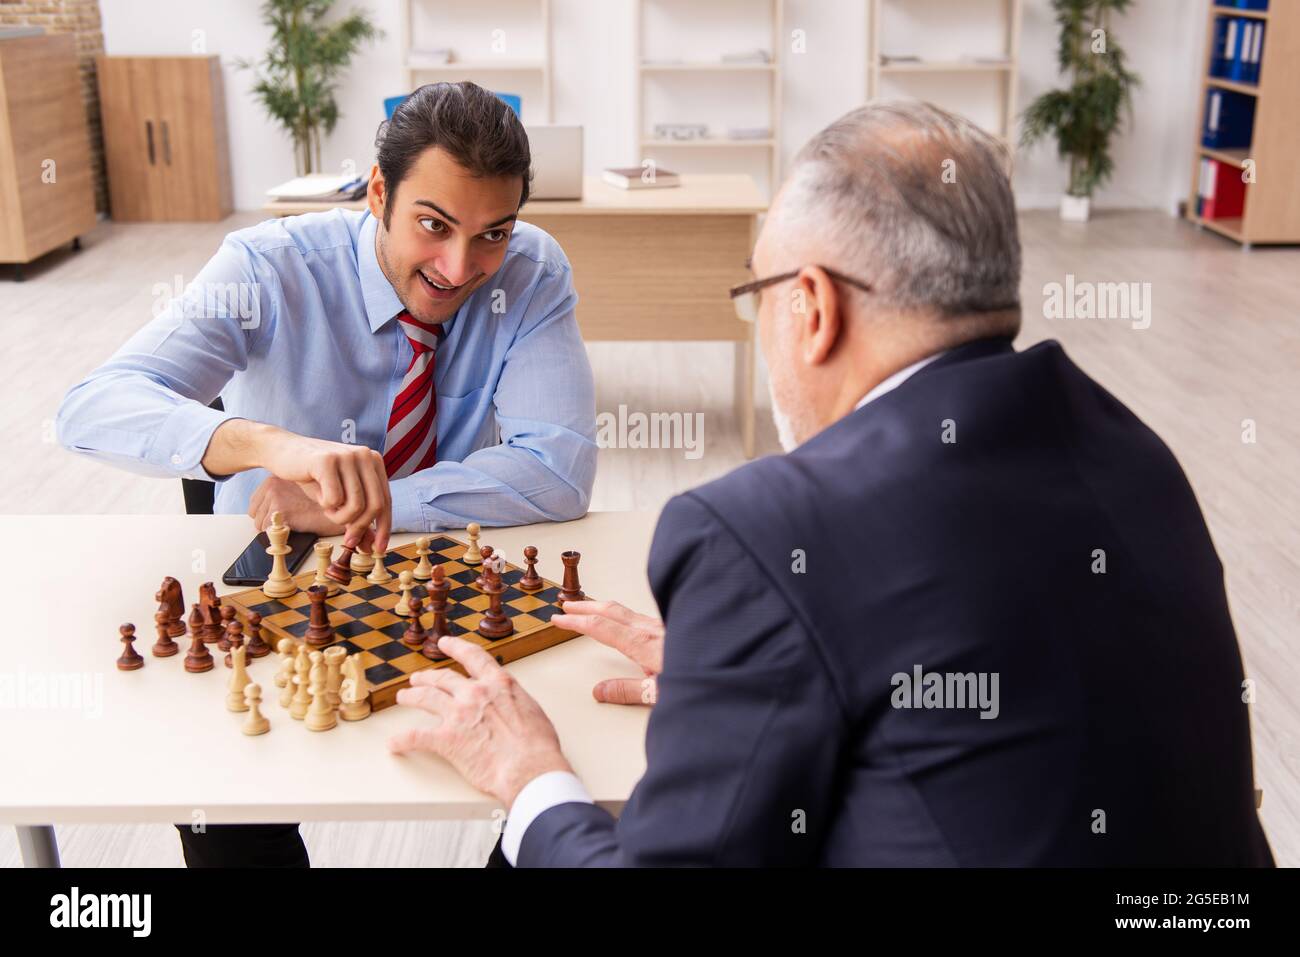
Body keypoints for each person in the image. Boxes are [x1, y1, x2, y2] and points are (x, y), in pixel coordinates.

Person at [389, 101, 1274, 867]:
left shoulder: (766, 533)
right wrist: (757, 672)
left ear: (811, 305)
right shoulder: (1138, 453)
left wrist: (531, 778)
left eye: (758, 296)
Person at [56, 81, 597, 867]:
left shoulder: (532, 269)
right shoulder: (267, 267)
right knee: (226, 818)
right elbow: (90, 408)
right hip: (275, 596)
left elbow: (558, 470)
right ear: (378, 193)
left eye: (492, 233)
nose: (459, 267)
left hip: (437, 581)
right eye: (433, 225)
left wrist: (361, 504)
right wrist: (267, 445)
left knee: (561, 779)